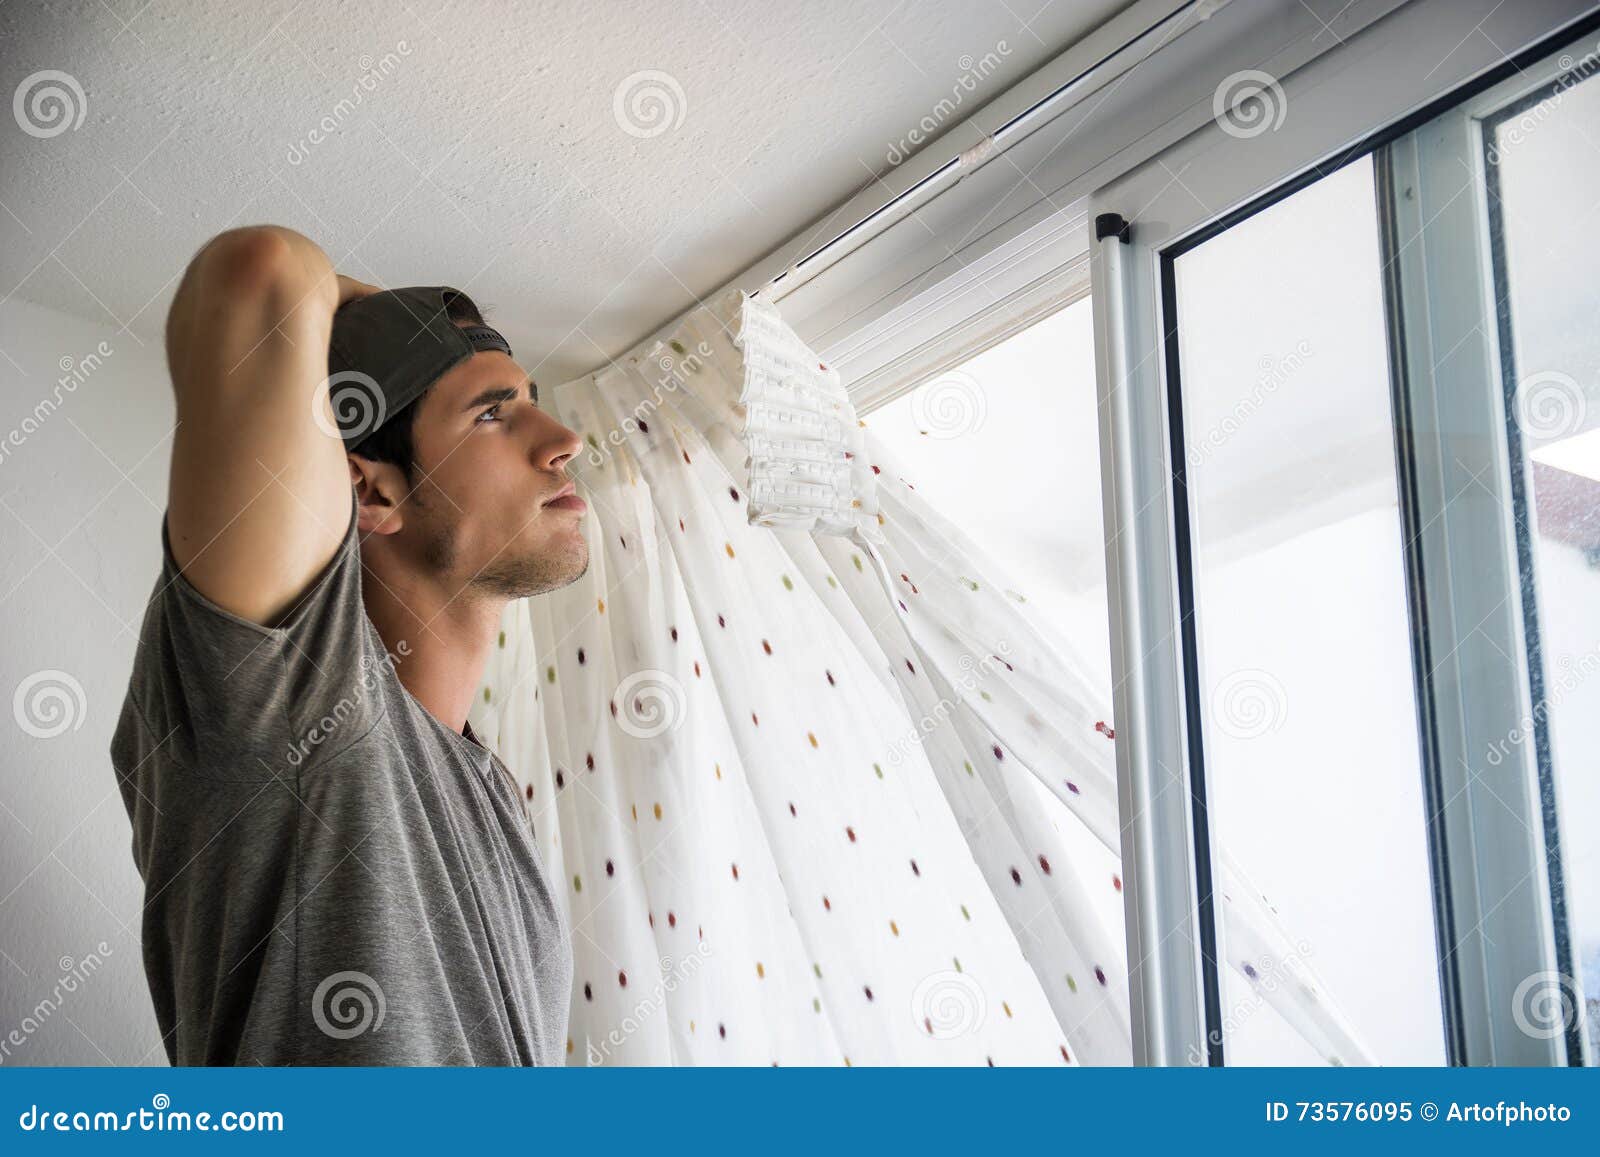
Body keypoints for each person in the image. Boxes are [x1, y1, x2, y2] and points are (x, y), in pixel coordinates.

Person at [108, 225, 584, 1065]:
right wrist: (390, 322)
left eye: (530, 399)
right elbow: (261, 273)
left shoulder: (490, 787)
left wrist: (429, 343)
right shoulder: (294, 698)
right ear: (369, 488)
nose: (563, 439)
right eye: (491, 413)